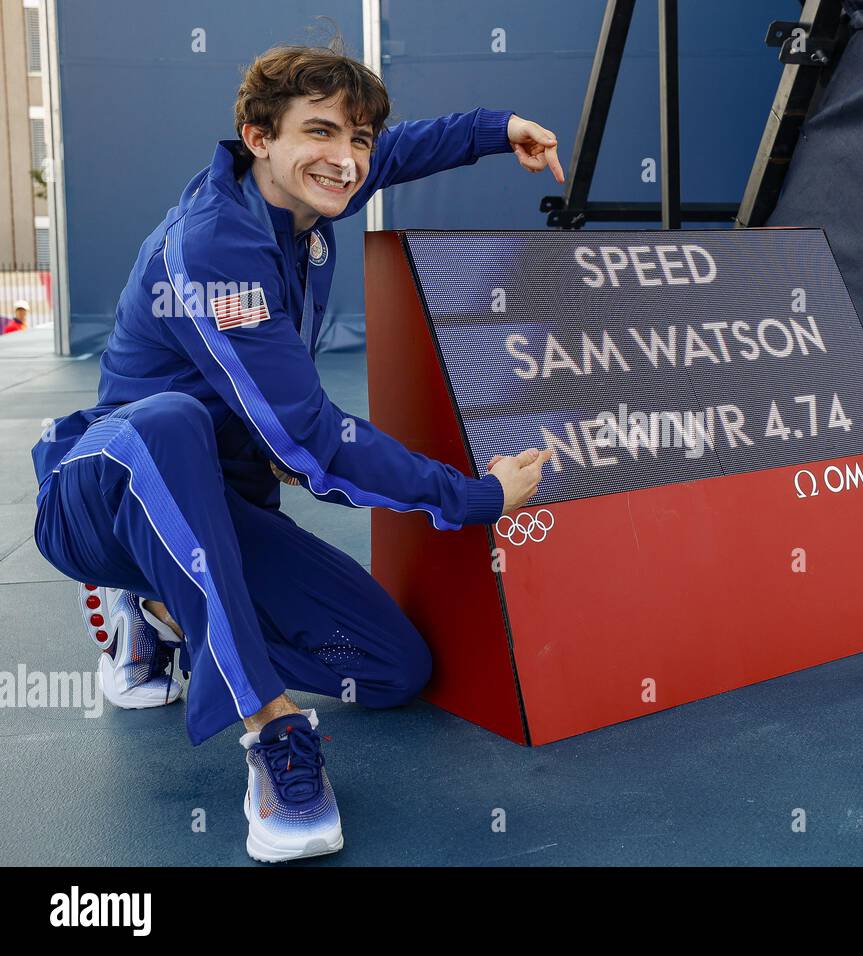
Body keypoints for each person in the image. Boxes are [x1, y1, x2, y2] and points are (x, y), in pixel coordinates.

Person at [30, 39, 559, 863]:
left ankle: (160, 611)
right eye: (320, 133)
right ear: (257, 138)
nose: (345, 160)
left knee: (390, 670)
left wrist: (499, 129)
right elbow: (311, 440)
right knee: (168, 422)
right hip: (104, 497)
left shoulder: (315, 189)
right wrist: (472, 498)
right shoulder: (213, 247)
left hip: (220, 509)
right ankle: (271, 732)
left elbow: (401, 148)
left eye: (358, 139)